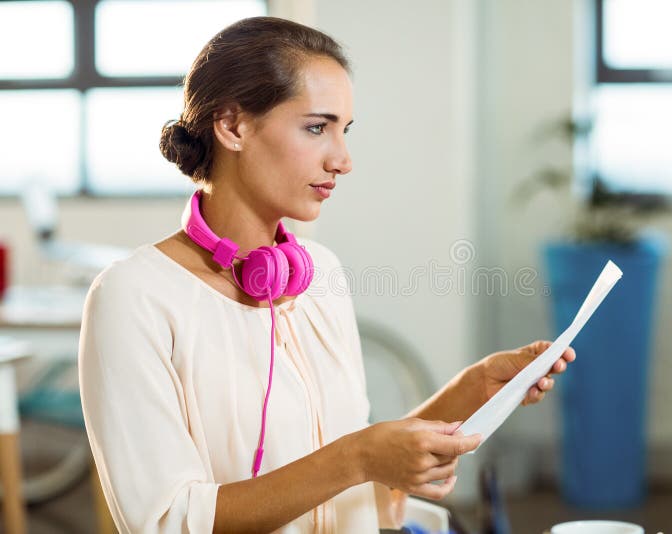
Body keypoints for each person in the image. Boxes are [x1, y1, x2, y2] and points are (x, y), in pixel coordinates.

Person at [78, 16, 576, 534]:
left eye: (344, 130)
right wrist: (357, 457)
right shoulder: (134, 298)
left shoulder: (318, 277)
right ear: (231, 126)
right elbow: (168, 521)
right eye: (317, 127)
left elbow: (354, 470)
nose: (342, 160)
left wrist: (471, 390)